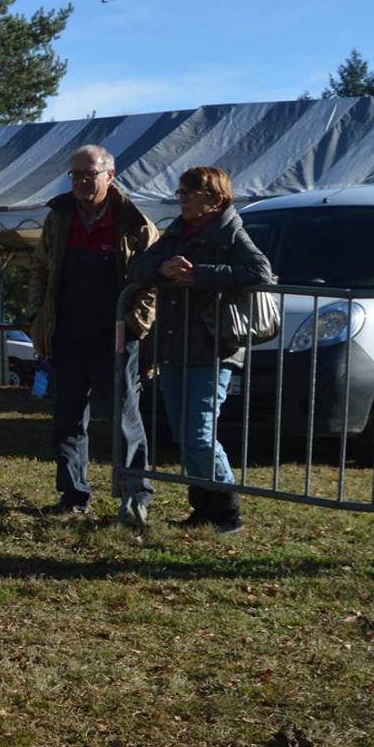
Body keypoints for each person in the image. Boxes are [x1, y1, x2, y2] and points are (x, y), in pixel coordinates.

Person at [130, 166, 274, 534]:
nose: (182, 200)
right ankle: (204, 508)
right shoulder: (175, 232)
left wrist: (201, 274)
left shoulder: (232, 232)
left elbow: (260, 272)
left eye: (188, 194)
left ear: (214, 199)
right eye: (180, 193)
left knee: (199, 434)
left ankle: (228, 510)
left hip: (214, 347)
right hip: (174, 346)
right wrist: (163, 266)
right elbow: (137, 268)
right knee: (183, 433)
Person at [31, 144, 159, 528]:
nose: (82, 182)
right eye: (76, 175)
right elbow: (40, 268)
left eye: (90, 174)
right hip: (66, 335)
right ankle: (74, 495)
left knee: (125, 420)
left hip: (115, 340)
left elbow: (152, 281)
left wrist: (135, 325)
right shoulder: (58, 217)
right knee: (66, 419)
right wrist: (37, 316)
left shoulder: (134, 222)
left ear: (110, 176)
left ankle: (137, 497)